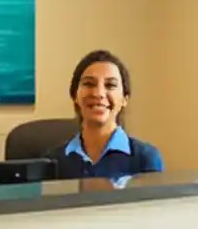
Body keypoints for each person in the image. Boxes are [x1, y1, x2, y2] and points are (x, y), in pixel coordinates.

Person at [51, 49, 164, 180]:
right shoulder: (53, 161)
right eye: (89, 84)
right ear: (74, 95)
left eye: (110, 85)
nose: (98, 93)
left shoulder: (146, 159)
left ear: (124, 99)